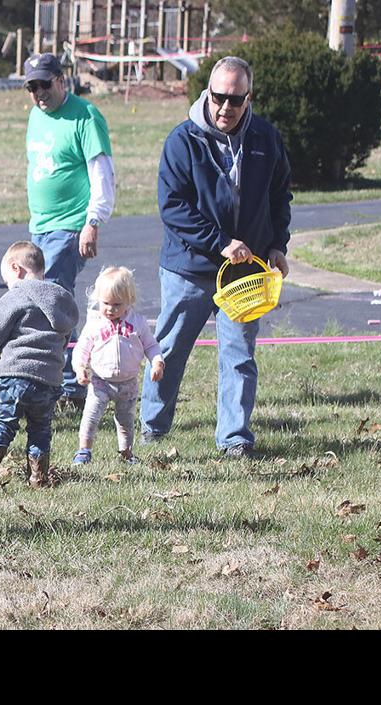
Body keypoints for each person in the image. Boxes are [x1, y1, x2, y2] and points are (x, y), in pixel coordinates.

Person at [140, 56, 292, 458]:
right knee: (168, 353)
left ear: (248, 97)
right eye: (219, 97)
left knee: (239, 356)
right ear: (207, 93)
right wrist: (220, 241)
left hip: (245, 274)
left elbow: (280, 197)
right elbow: (172, 207)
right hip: (188, 269)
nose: (226, 107)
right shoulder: (182, 141)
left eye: (235, 99)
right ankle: (152, 430)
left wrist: (278, 244)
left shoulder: (266, 139)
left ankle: (234, 440)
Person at [21, 53, 115, 410]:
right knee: (45, 300)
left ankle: (67, 384)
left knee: (52, 300)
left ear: (62, 80)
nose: (39, 93)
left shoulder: (85, 117)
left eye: (45, 84)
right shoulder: (35, 116)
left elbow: (102, 174)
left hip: (70, 225)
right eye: (32, 87)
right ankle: (65, 378)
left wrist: (92, 222)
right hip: (40, 225)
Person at [0, 242, 79, 488]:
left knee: (4, 422)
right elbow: (65, 339)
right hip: (50, 379)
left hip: (15, 374)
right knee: (40, 428)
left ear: (15, 268)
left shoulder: (16, 295)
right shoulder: (62, 300)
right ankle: (38, 478)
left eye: (6, 279)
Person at [71, 266, 164, 465]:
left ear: (129, 301)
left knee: (125, 420)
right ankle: (84, 450)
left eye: (117, 304)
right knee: (91, 416)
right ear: (98, 299)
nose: (110, 309)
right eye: (105, 303)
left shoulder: (138, 323)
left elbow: (151, 345)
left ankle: (126, 453)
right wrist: (80, 368)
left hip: (128, 383)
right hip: (100, 381)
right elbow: (82, 348)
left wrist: (157, 362)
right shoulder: (95, 323)